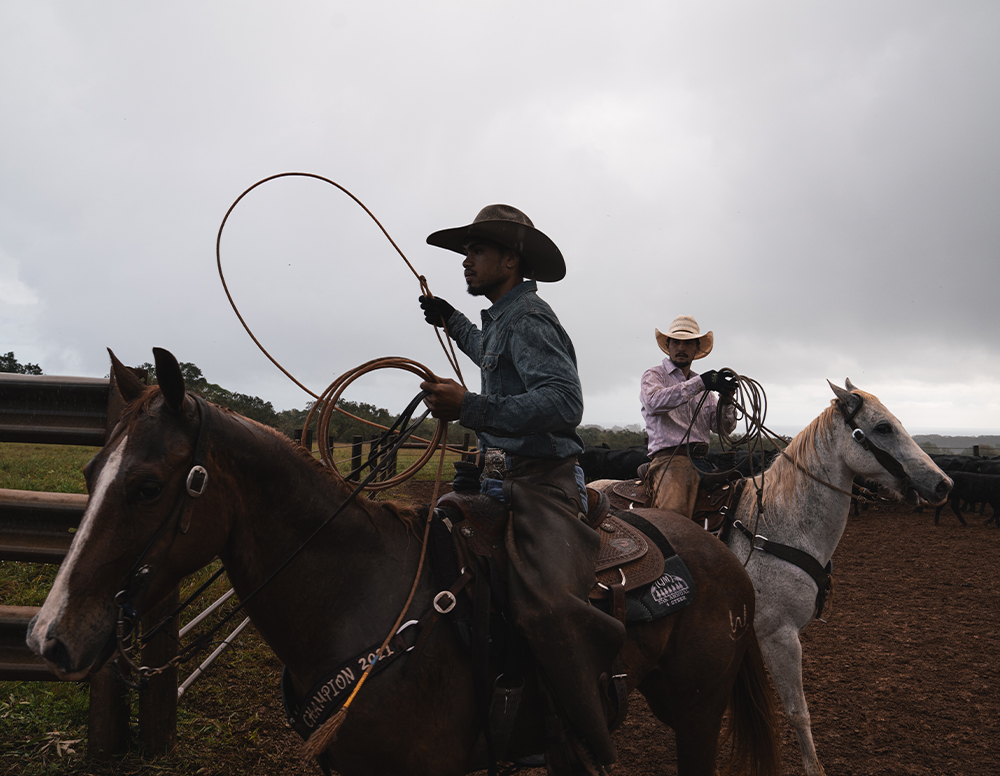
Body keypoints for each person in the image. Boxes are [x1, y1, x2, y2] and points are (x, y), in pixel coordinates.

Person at [417, 204, 625, 775]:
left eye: (476, 252)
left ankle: (584, 744)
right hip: (500, 479)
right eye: (466, 252)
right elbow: (489, 355)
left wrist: (472, 406)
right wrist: (451, 318)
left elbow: (564, 402)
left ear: (510, 259)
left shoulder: (530, 317)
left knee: (547, 609)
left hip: (545, 483)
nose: (466, 261)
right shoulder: (502, 319)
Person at [639, 315, 737, 518]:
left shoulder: (705, 389)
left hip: (703, 461)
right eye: (676, 342)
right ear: (668, 346)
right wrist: (701, 382)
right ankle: (668, 549)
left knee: (739, 498)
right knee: (674, 518)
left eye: (688, 343)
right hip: (671, 460)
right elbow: (653, 402)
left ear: (696, 349)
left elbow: (722, 429)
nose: (681, 348)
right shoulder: (654, 375)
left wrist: (727, 401)